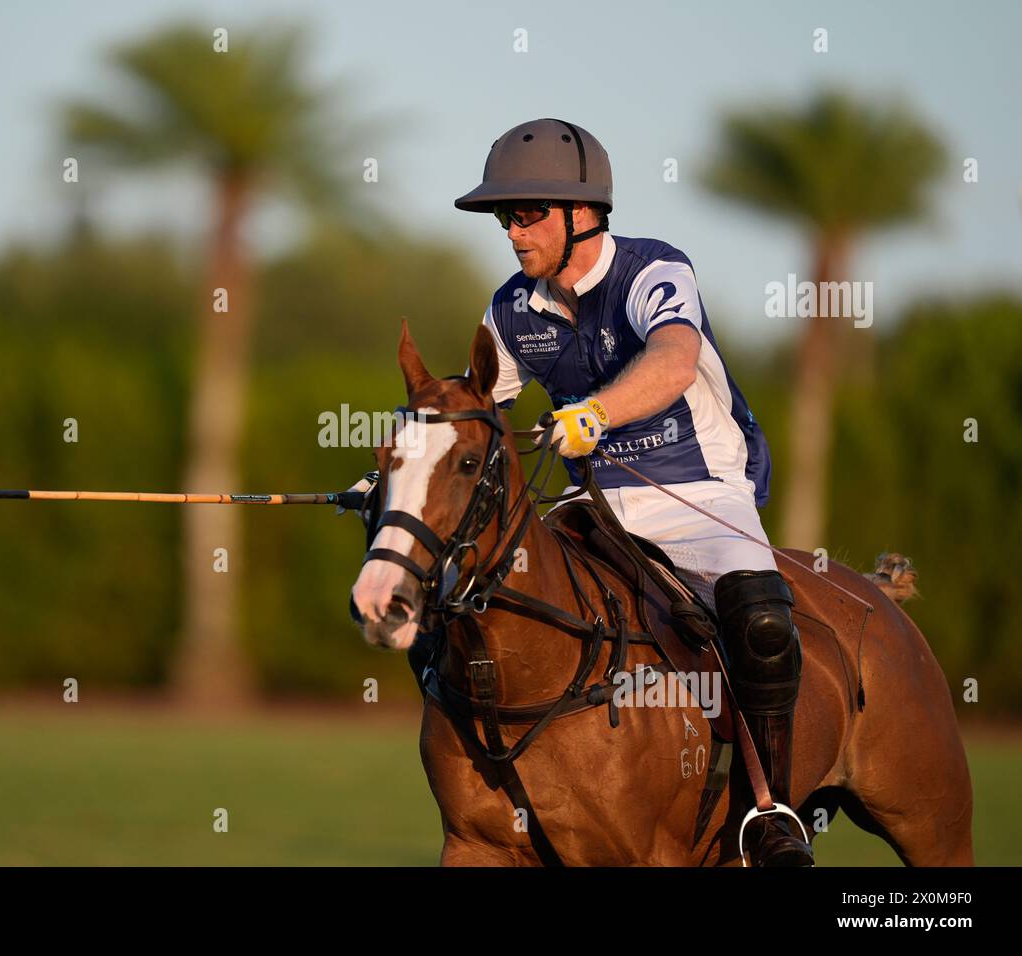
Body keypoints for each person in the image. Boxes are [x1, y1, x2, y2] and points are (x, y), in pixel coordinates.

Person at [344, 118, 813, 867]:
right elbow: (464, 414)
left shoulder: (653, 272)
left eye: (527, 213)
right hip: (594, 504)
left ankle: (772, 812)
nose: (512, 231)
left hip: (698, 487)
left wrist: (596, 411)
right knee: (472, 601)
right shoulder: (512, 311)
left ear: (581, 215)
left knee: (759, 616)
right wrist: (394, 481)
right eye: (505, 217)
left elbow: (672, 358)